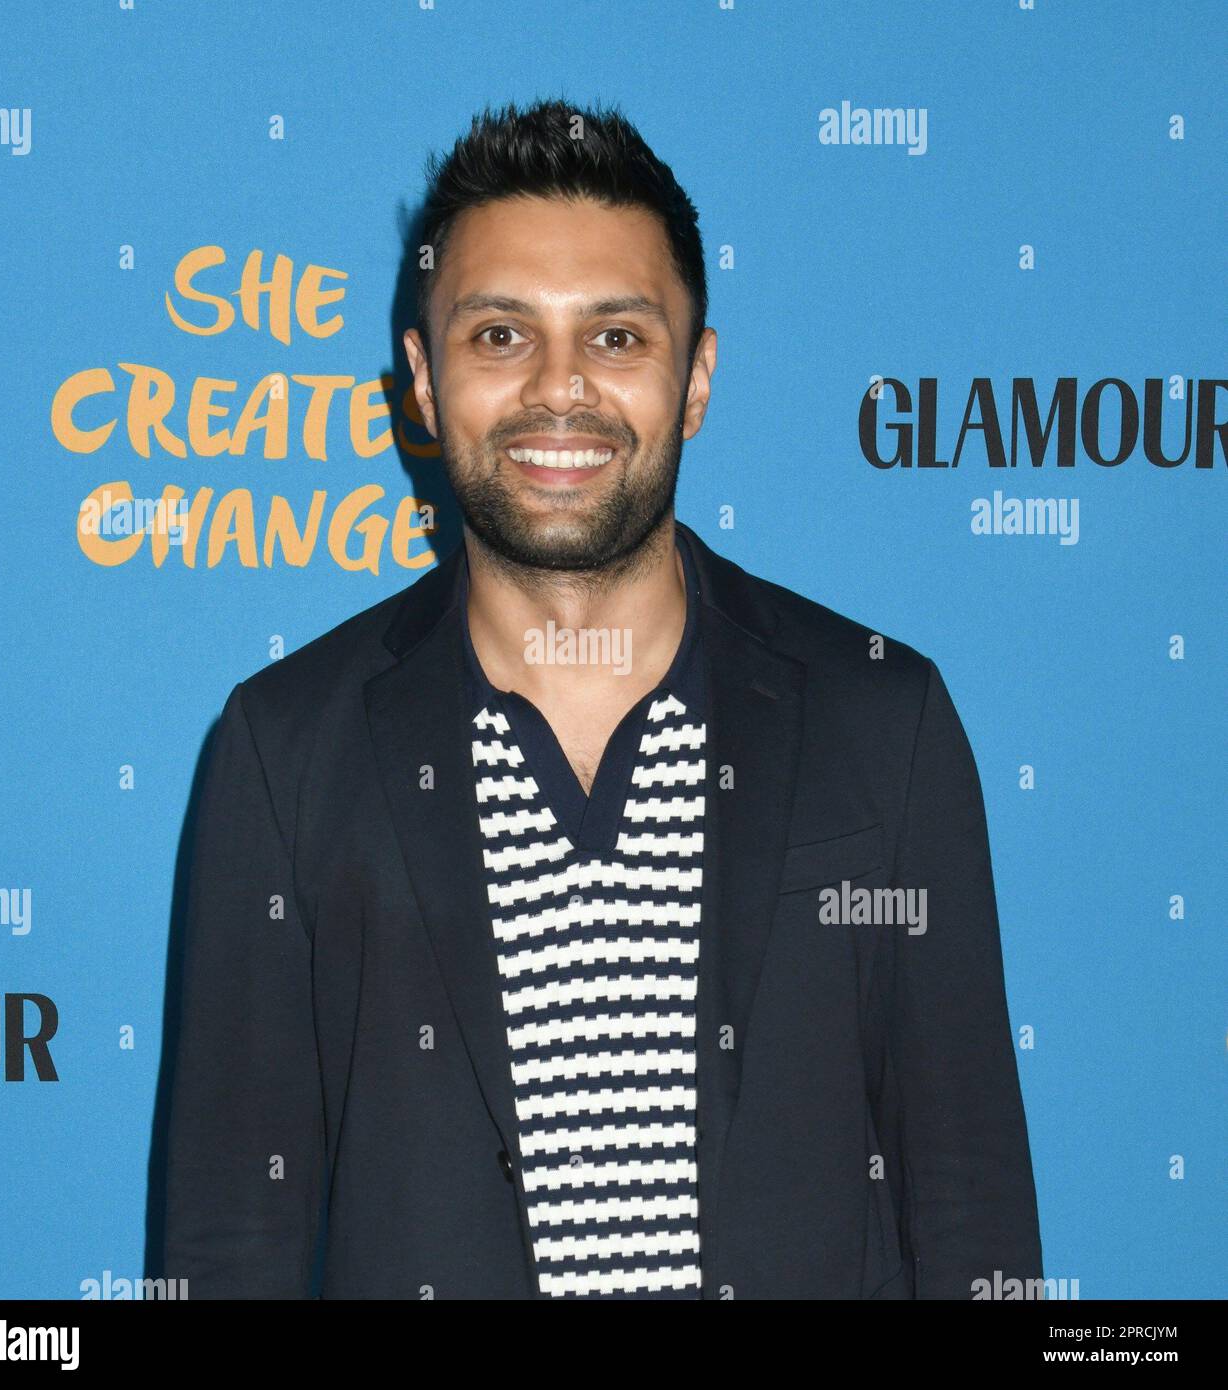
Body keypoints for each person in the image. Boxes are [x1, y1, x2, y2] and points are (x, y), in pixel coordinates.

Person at [162, 98, 1042, 1299]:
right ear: (422, 380)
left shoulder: (881, 719)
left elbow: (972, 1206)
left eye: (618, 337)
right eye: (499, 335)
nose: (559, 391)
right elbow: (228, 1244)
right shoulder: (286, 748)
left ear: (696, 376)